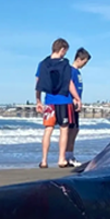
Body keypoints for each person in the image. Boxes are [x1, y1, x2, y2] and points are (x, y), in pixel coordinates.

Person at [35, 38, 82, 168]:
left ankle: (44, 161)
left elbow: (38, 83)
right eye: (65, 51)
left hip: (49, 102)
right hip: (64, 100)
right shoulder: (65, 64)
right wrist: (77, 98)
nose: (65, 54)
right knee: (64, 129)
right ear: (62, 49)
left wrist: (38, 100)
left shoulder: (43, 64)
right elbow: (69, 83)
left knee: (48, 129)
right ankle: (61, 159)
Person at [63, 48, 91, 167]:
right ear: (79, 59)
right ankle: (67, 155)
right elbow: (69, 85)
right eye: (84, 62)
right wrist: (75, 99)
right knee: (70, 129)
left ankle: (70, 154)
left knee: (75, 129)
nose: (85, 65)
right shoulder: (71, 70)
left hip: (76, 103)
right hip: (70, 103)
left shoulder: (78, 72)